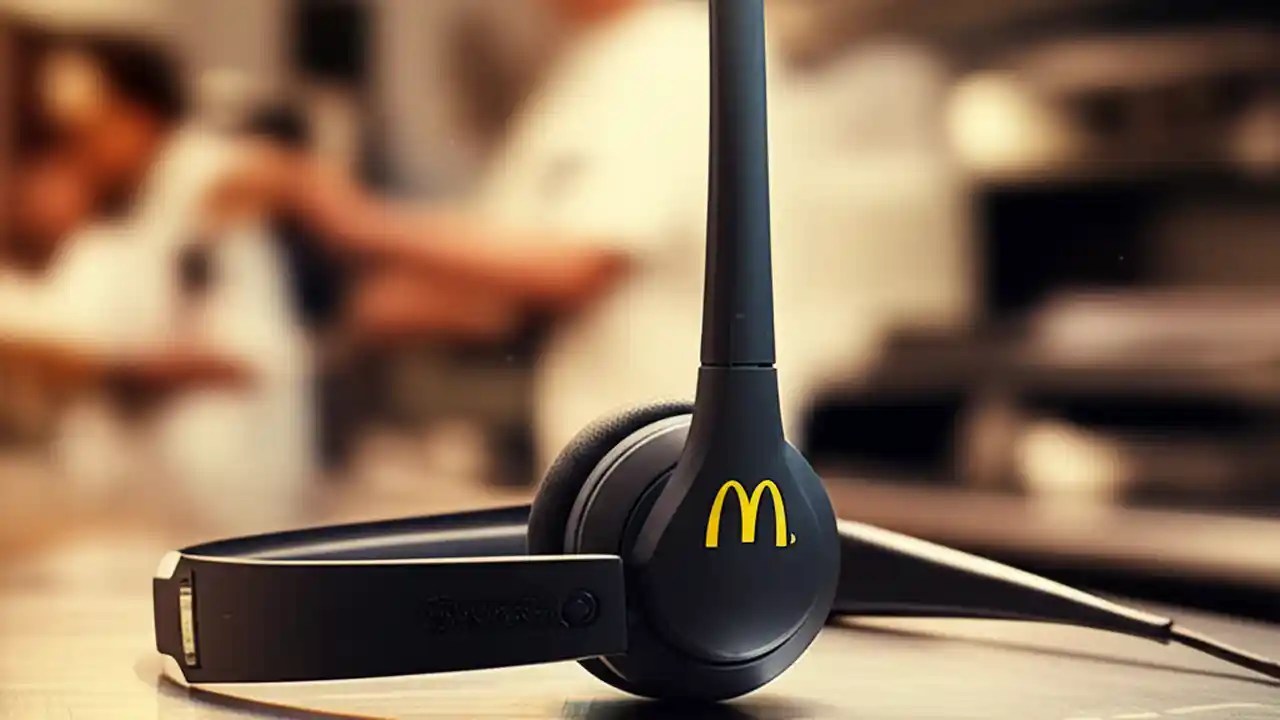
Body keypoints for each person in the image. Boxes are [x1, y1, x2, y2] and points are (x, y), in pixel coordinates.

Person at [475, 0, 973, 469]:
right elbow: (491, 278)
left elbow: (575, 265)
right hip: (601, 440)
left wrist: (392, 229)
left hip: (679, 439)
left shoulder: (680, 56)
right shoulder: (584, 69)